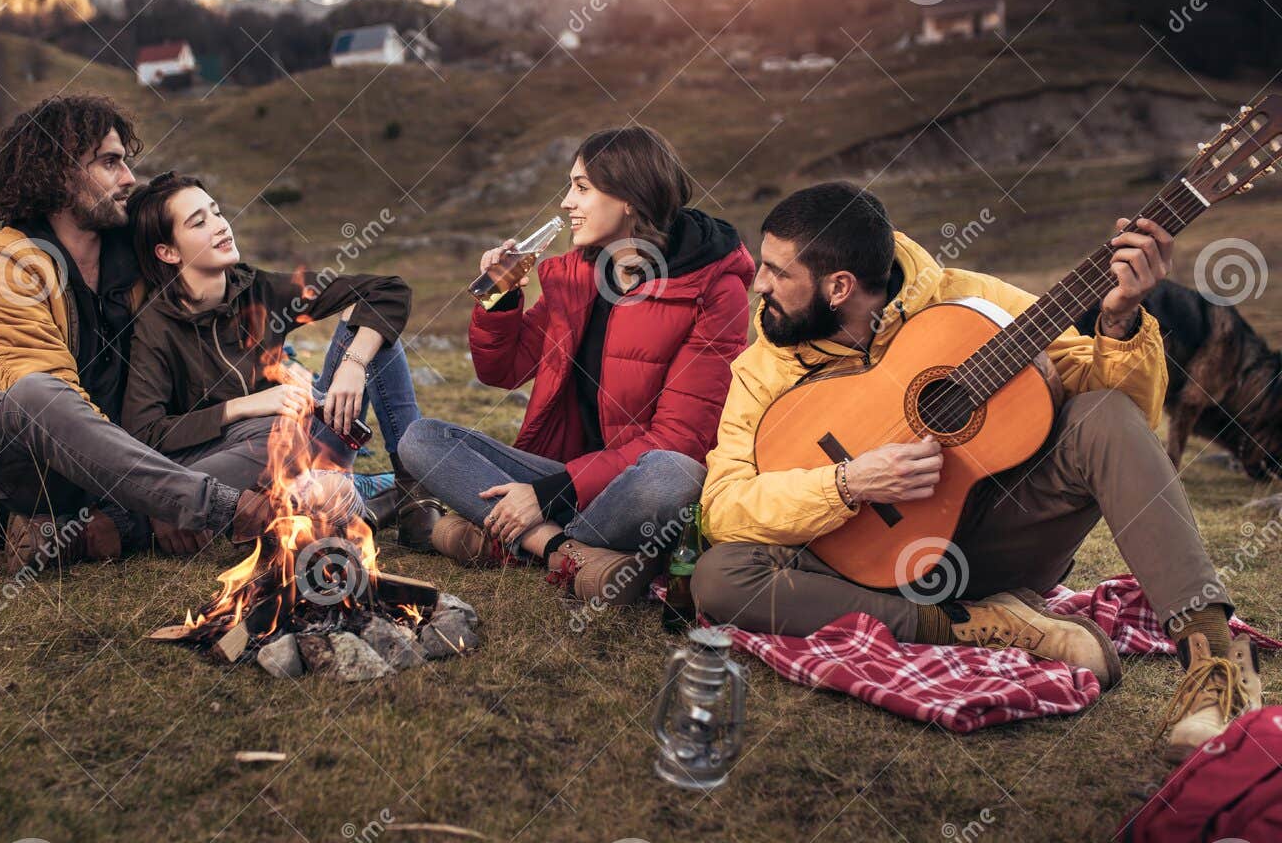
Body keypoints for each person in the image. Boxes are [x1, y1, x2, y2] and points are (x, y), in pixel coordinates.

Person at [692, 181, 1264, 761]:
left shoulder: (973, 301)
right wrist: (846, 483)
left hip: (995, 541)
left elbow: (1129, 428)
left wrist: (1116, 328)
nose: (758, 284)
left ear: (839, 287)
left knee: (1102, 413)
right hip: (860, 566)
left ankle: (1212, 665)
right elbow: (723, 506)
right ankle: (967, 624)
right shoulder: (763, 367)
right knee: (719, 574)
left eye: (775, 271)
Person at [399, 125, 754, 605]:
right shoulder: (579, 273)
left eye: (582, 188)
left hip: (627, 490)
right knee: (421, 440)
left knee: (674, 474)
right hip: (563, 476)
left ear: (630, 197)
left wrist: (545, 495)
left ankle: (511, 536)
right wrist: (501, 302)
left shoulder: (714, 290)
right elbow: (501, 372)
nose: (566, 202)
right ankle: (558, 549)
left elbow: (679, 441)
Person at [0, 94, 267, 573]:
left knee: (281, 427)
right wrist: (171, 486)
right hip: (27, 472)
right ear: (57, 173)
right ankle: (210, 506)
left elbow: (219, 305)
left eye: (126, 162)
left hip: (130, 460)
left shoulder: (135, 257)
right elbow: (47, 403)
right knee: (37, 394)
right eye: (110, 163)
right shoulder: (3, 263)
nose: (129, 178)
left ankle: (112, 527)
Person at [119, 171, 438, 550]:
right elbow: (145, 434)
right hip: (237, 460)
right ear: (168, 252)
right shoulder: (156, 326)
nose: (221, 227)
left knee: (371, 327)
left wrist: (352, 364)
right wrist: (243, 407)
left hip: (302, 437)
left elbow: (387, 290)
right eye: (198, 222)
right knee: (277, 437)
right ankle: (352, 499)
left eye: (217, 212)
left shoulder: (259, 289)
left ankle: (415, 498)